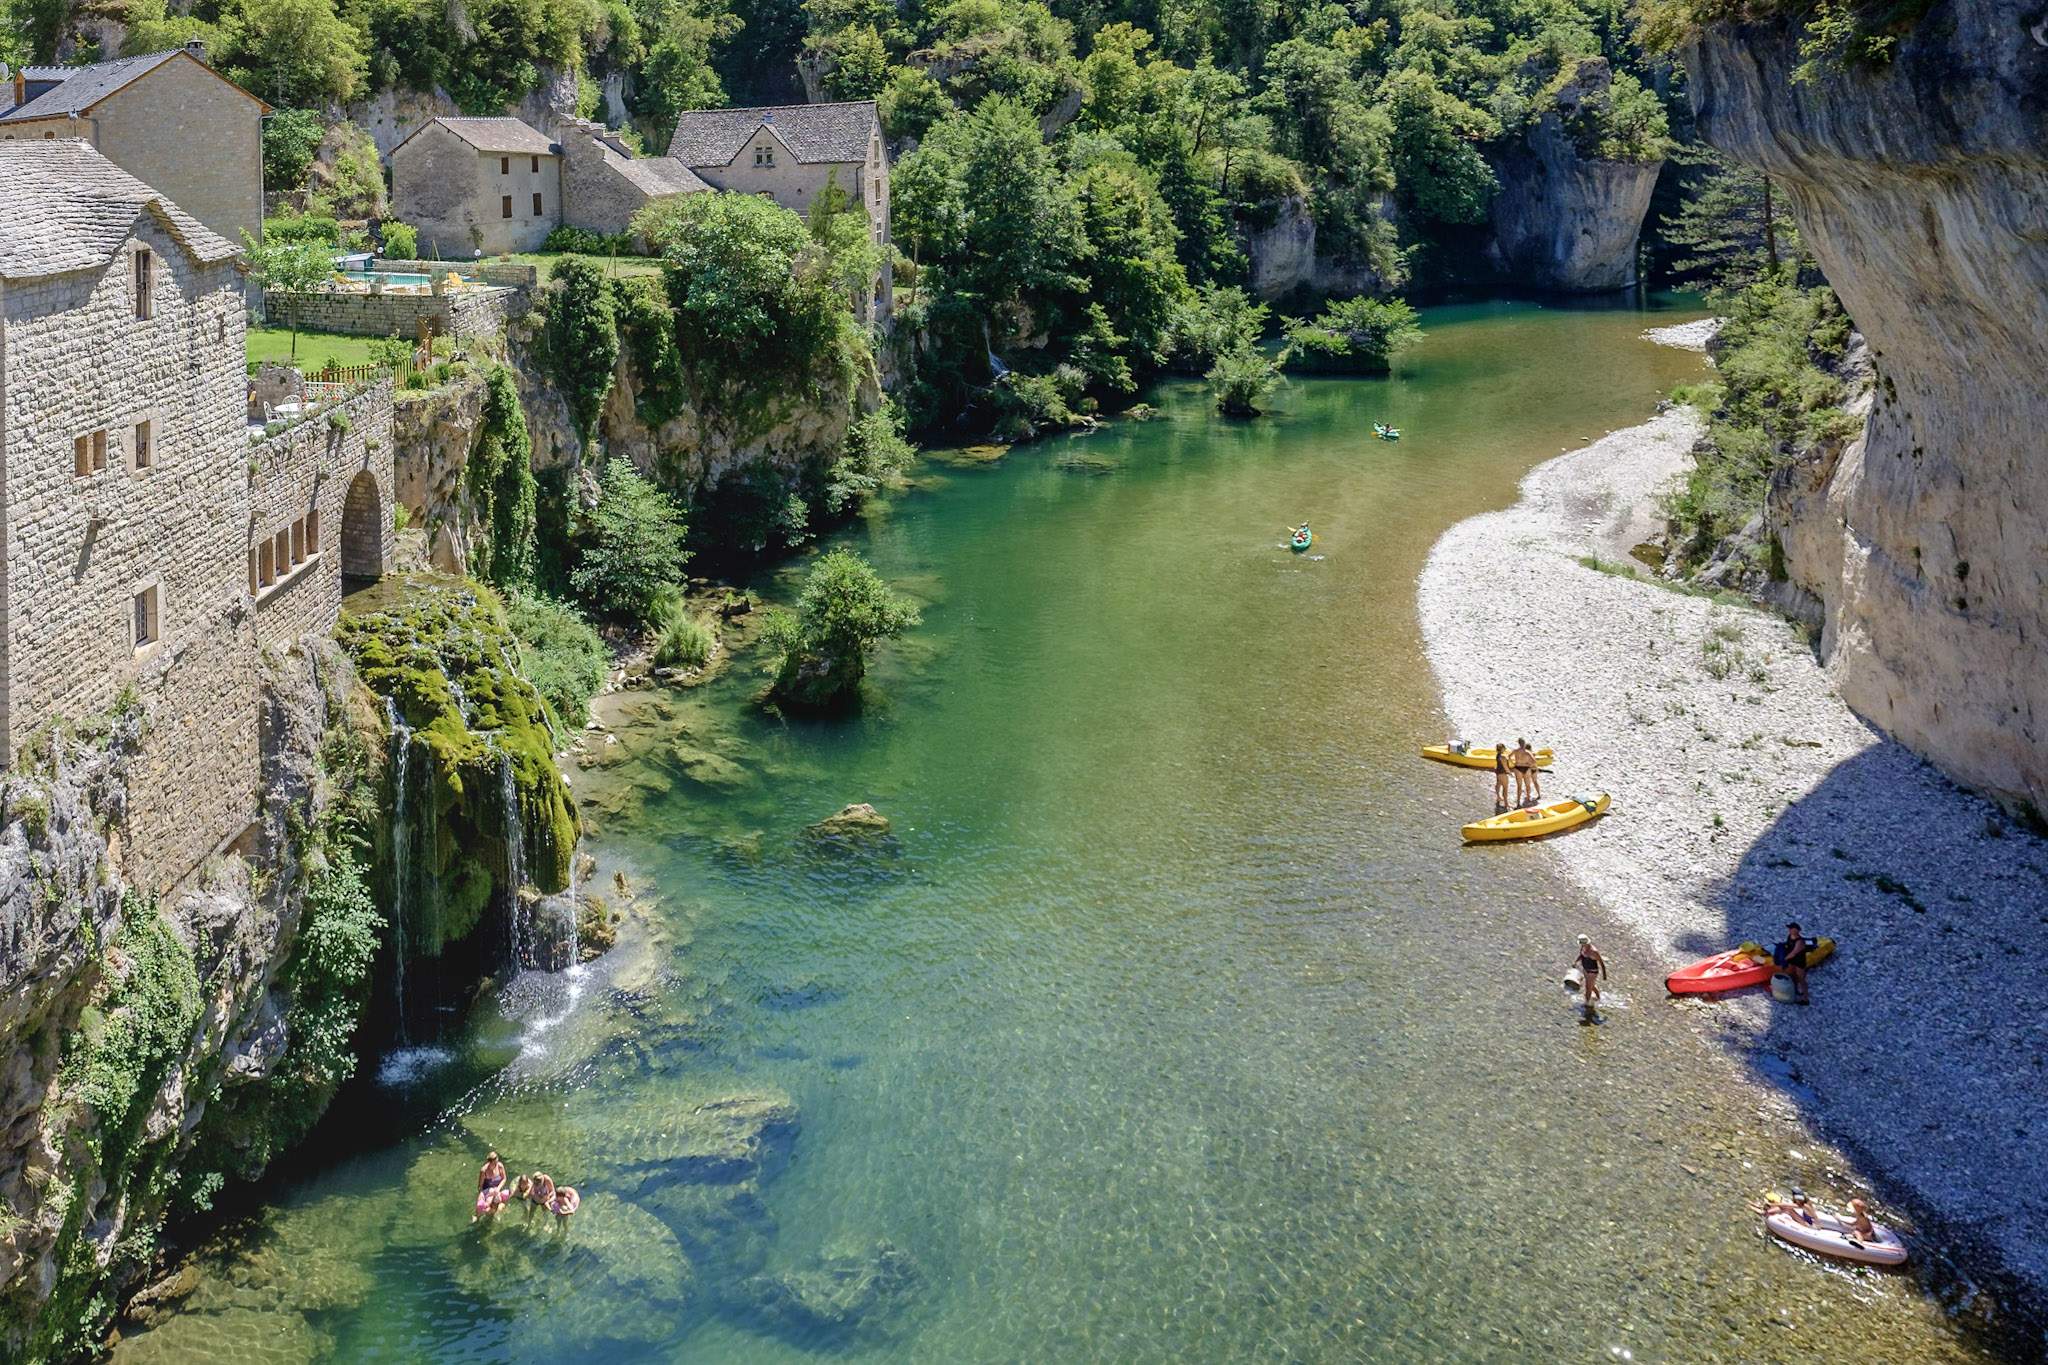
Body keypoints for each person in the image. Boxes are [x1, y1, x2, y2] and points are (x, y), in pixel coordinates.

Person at [1775, 922, 1816, 1004]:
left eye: (1791, 929)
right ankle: (1795, 990)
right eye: (1789, 929)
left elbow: (1794, 953)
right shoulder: (1790, 937)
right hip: (1792, 961)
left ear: (1796, 930)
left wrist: (1784, 959)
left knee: (1802, 979)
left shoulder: (1800, 942)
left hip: (1799, 962)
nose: (1789, 930)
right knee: (1793, 976)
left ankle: (1805, 999)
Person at [1574, 935, 1607, 1011]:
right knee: (1591, 986)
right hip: (1585, 969)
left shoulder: (1594, 952)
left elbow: (1602, 963)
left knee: (1588, 988)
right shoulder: (1583, 948)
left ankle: (1586, 1003)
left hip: (1592, 972)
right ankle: (1598, 998)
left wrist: (1604, 975)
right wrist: (1575, 961)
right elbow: (1581, 955)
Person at [1493, 741, 1511, 809]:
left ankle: (1498, 797)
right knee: (1505, 787)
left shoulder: (1498, 755)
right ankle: (1506, 803)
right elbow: (1505, 766)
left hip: (1498, 772)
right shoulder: (1503, 756)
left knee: (1498, 784)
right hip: (1502, 773)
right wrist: (1509, 772)